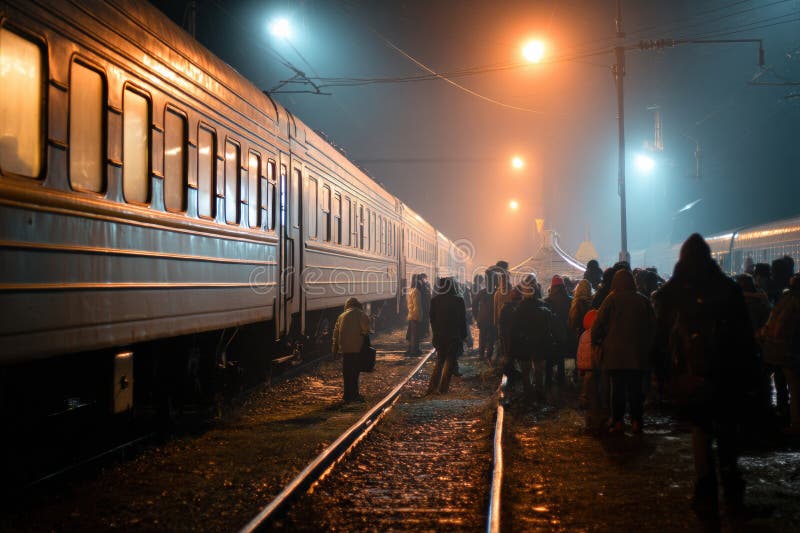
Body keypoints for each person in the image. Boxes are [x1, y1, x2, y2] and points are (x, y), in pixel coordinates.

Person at [652, 233, 756, 517]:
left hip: (692, 373)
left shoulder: (677, 290)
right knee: (727, 434)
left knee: (700, 431)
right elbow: (745, 339)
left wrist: (663, 375)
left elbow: (660, 335)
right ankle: (733, 495)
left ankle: (705, 492)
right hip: (727, 374)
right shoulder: (728, 289)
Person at [592, 269, 654, 434]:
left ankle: (618, 421)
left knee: (617, 389)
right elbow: (652, 327)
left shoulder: (611, 299)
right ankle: (636, 421)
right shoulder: (643, 301)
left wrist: (596, 341)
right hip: (637, 353)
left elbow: (598, 325)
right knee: (635, 389)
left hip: (615, 354)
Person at [761, 273, 800, 434]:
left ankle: (781, 413)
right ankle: (796, 425)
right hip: (788, 352)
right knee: (796, 389)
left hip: (773, 350)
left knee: (780, 384)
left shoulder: (784, 299)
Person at [511, 275, 557, 401]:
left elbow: (515, 329)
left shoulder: (519, 309)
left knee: (526, 371)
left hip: (524, 344)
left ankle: (528, 394)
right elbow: (550, 327)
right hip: (540, 344)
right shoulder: (544, 307)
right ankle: (540, 394)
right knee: (539, 370)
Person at [427, 277, 467, 394]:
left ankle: (432, 388)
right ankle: (443, 388)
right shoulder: (459, 300)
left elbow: (432, 319)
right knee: (450, 361)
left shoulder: (435, 300)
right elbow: (462, 320)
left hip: (439, 335)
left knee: (440, 360)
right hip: (454, 335)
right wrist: (464, 335)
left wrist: (435, 333)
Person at [332, 297, 371, 403]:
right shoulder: (361, 314)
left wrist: (334, 351)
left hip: (345, 350)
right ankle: (354, 395)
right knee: (355, 372)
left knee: (347, 373)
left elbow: (335, 335)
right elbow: (366, 329)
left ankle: (347, 394)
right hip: (357, 349)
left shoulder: (341, 316)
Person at [545, 275, 573, 387]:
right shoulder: (570, 300)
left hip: (551, 333)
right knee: (561, 356)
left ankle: (548, 381)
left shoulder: (547, 301)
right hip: (565, 332)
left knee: (549, 357)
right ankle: (561, 379)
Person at [576, 309, 601, 431]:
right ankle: (597, 419)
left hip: (586, 369)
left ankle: (589, 418)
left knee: (588, 392)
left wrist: (580, 367)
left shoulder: (583, 335)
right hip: (596, 368)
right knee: (597, 393)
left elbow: (580, 353)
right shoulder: (601, 335)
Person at [473, 273, 495, 361]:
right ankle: (488, 356)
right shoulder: (496, 292)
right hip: (492, 318)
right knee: (491, 338)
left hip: (482, 319)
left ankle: (481, 355)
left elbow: (474, 304)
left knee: (482, 337)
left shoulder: (482, 292)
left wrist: (476, 316)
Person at [406, 275, 422, 355]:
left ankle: (412, 350)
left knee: (412, 335)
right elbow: (417, 306)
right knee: (415, 335)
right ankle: (414, 351)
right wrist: (418, 317)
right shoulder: (416, 291)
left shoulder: (411, 290)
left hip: (411, 315)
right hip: (415, 316)